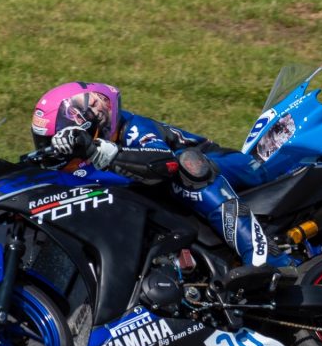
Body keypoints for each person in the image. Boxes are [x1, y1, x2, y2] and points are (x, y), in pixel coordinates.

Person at [30, 81, 288, 267]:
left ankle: (265, 254)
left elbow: (164, 165)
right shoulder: (81, 162)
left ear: (93, 126)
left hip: (234, 166)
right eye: (45, 142)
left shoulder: (133, 128)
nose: (59, 151)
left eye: (63, 141)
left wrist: (97, 151)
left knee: (188, 165)